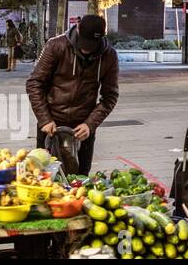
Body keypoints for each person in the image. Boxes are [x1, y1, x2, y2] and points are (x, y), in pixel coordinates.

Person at [25, 14, 119, 175]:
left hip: (82, 128)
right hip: (51, 125)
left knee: (80, 178)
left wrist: (90, 124)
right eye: (84, 43)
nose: (86, 49)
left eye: (92, 45)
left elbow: (110, 96)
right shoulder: (56, 46)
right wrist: (45, 119)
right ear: (78, 29)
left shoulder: (109, 56)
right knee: (45, 176)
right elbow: (34, 83)